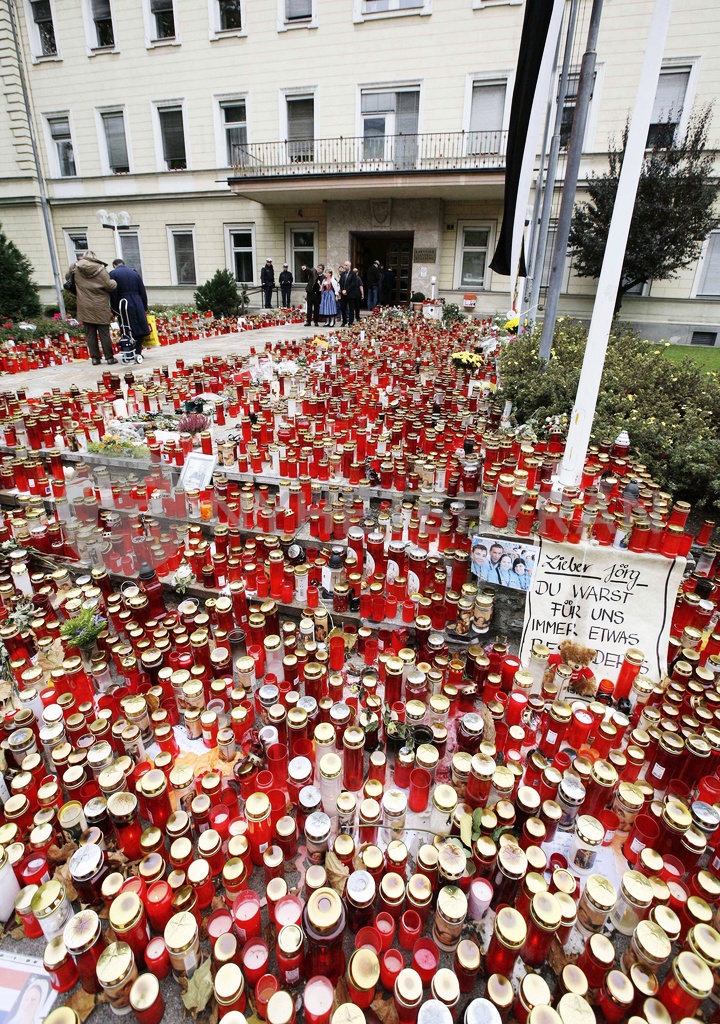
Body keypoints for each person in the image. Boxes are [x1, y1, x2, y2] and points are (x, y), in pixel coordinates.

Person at [68, 250, 117, 365]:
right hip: (100, 304)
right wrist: (114, 282)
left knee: (90, 333)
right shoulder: (101, 269)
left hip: (84, 304)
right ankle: (109, 358)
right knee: (104, 332)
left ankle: (95, 358)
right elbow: (109, 286)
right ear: (94, 258)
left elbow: (67, 278)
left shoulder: (75, 268)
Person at [109, 259, 149, 364]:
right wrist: (145, 307)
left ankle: (129, 351)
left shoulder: (113, 274)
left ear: (114, 265)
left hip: (124, 302)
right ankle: (138, 351)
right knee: (139, 326)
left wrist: (114, 310)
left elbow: (113, 293)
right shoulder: (134, 273)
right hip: (137, 301)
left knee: (127, 327)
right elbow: (142, 291)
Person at [340, 260, 360, 326]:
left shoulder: (353, 274)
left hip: (351, 294)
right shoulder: (343, 274)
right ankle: (344, 321)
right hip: (343, 294)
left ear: (349, 266)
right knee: (343, 308)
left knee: (351, 308)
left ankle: (350, 322)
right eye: (344, 265)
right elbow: (341, 283)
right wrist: (342, 290)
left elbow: (353, 284)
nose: (345, 267)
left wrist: (347, 290)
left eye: (346, 265)